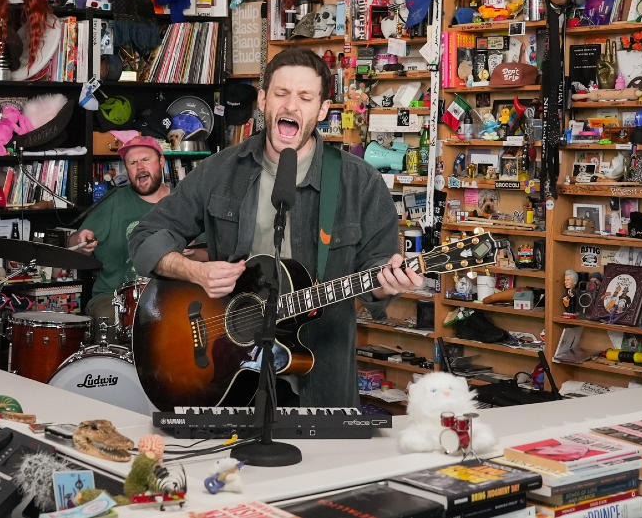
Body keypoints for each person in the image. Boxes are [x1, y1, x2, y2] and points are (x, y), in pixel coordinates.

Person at [129, 47, 422, 407]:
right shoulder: (219, 171)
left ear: (322, 110)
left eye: (305, 97)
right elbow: (144, 237)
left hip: (321, 379)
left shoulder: (359, 182)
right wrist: (193, 270)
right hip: (225, 373)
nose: (291, 106)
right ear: (264, 100)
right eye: (281, 93)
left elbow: (376, 280)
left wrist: (386, 284)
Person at [69, 135, 172, 324]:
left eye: (145, 160)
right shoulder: (113, 202)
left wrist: (193, 251)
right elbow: (74, 241)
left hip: (173, 295)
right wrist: (81, 241)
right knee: (114, 319)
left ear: (162, 162)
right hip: (116, 296)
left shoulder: (182, 202)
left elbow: (205, 252)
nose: (140, 167)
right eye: (132, 163)